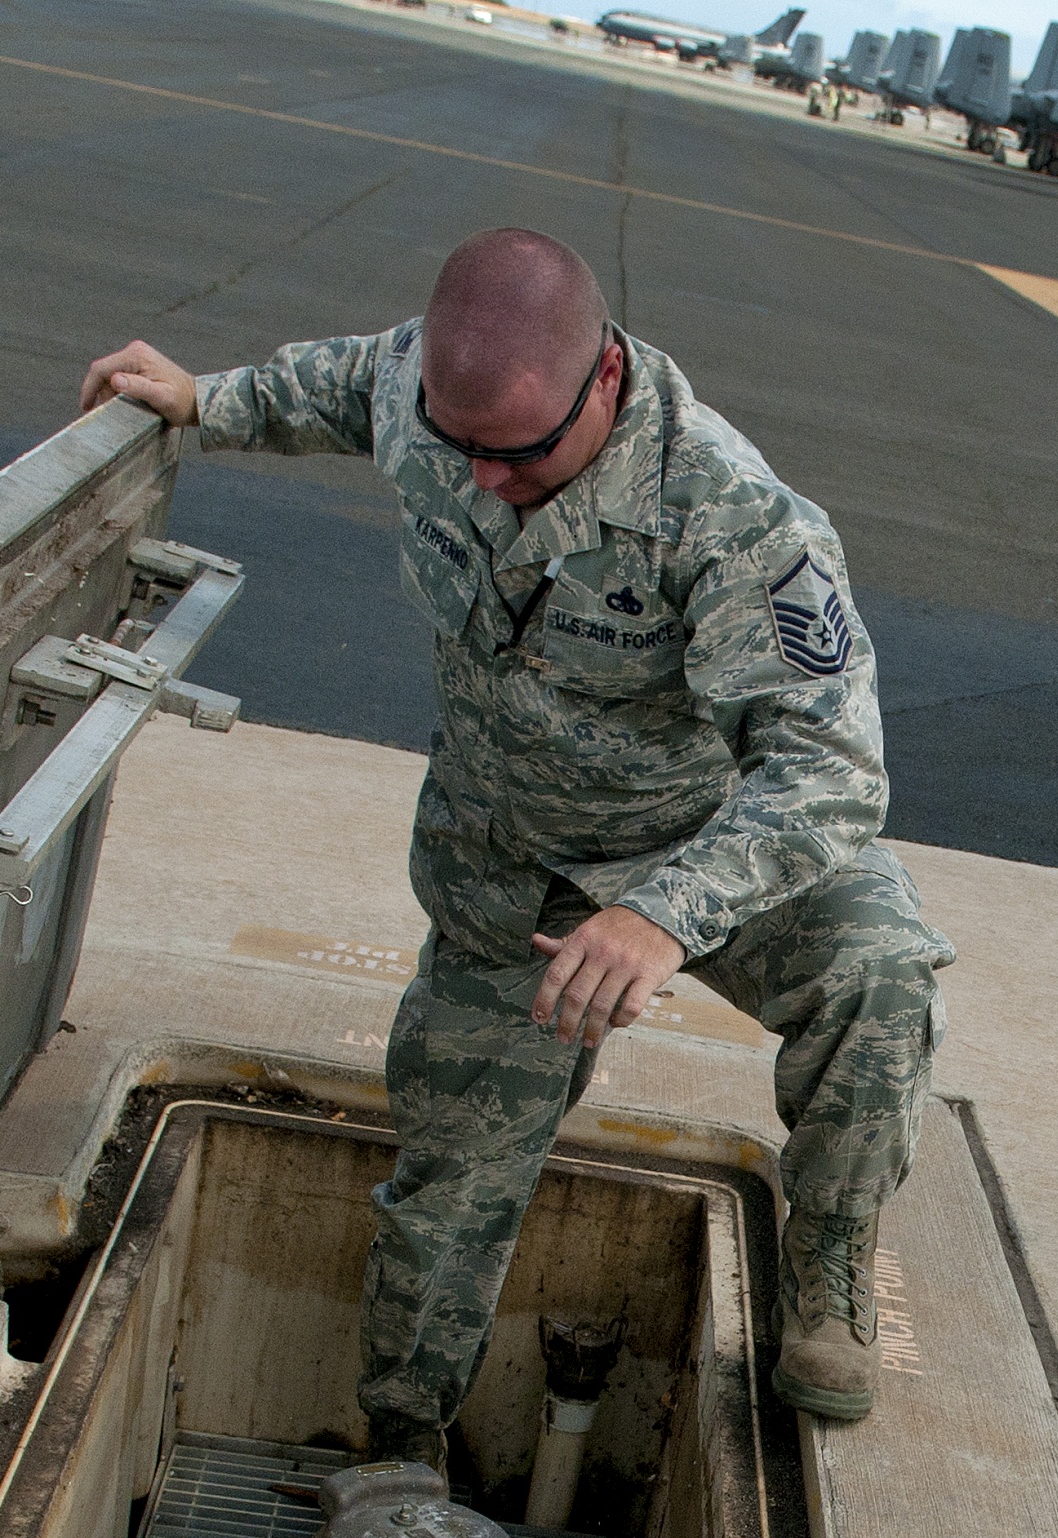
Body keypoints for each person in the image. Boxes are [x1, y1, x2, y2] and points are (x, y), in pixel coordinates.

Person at [81, 229, 948, 1464]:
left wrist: (663, 914)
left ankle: (827, 1254)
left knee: (882, 967)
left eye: (520, 455)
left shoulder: (734, 518)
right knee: (442, 1200)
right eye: (461, 447)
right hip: (509, 869)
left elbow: (830, 770)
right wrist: (202, 398)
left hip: (706, 843)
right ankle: (400, 1452)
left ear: (602, 379)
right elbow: (335, 382)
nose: (484, 480)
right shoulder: (437, 403)